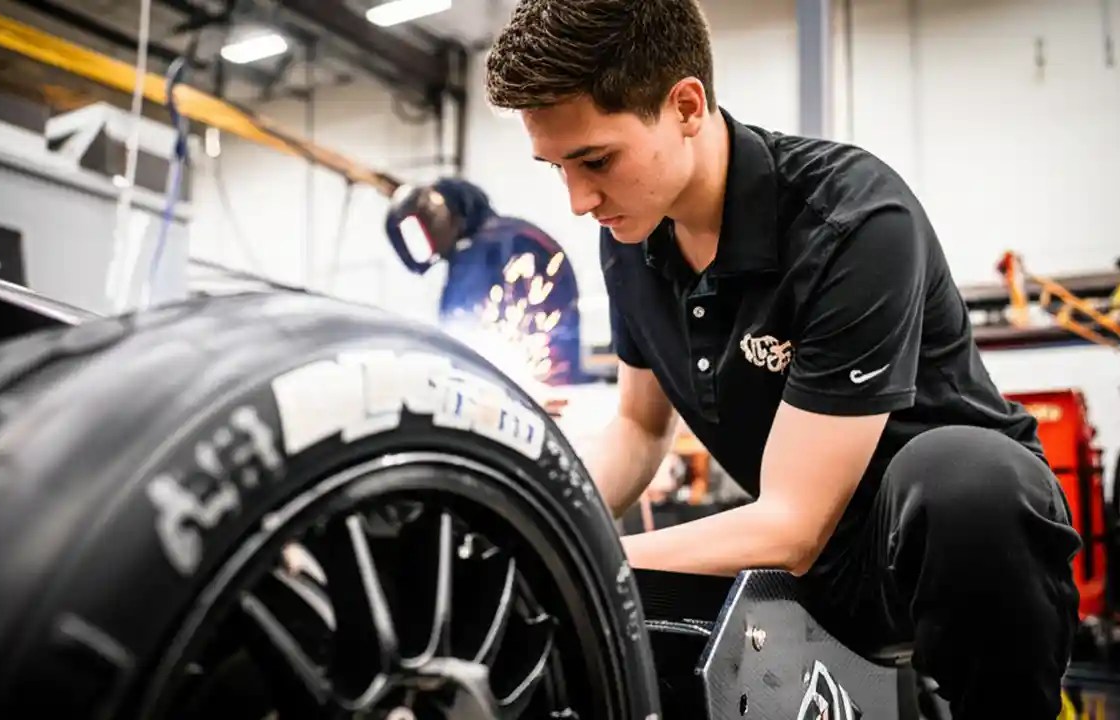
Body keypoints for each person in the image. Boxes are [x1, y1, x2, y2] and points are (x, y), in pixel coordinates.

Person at [483, 1, 1082, 717]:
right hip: (795, 564)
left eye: (596, 160)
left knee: (968, 479)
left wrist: (567, 555)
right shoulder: (631, 239)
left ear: (685, 106)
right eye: (557, 168)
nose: (579, 200)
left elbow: (794, 526)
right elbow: (640, 427)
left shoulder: (852, 219)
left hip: (935, 553)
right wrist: (529, 520)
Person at [385, 177, 583, 386]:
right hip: (555, 368)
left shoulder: (482, 246)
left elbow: (461, 321)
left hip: (536, 376)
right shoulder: (510, 232)